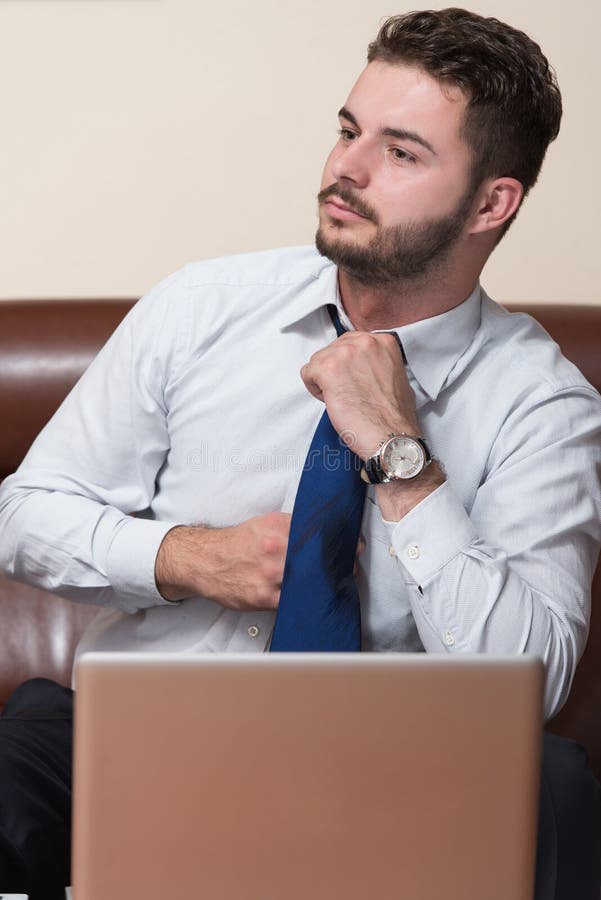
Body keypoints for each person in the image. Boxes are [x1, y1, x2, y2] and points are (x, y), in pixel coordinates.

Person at [0, 7, 600, 899]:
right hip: (140, 734)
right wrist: (187, 557)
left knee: (555, 792)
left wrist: (401, 455)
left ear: (490, 202)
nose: (344, 171)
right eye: (348, 132)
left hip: (397, 766)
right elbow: (24, 513)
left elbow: (532, 682)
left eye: (400, 152)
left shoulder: (542, 406)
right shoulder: (201, 306)